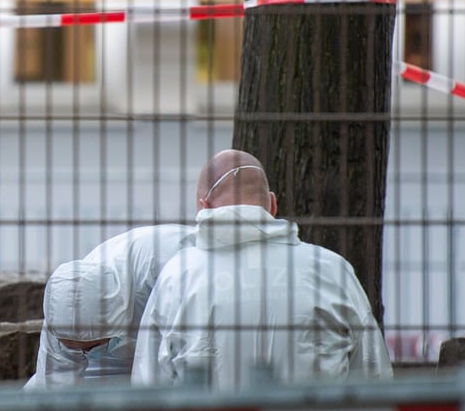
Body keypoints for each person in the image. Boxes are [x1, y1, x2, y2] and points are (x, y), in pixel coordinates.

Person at [132, 149, 392, 390]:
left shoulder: (177, 275)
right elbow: (373, 376)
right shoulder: (332, 270)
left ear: (204, 206)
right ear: (272, 204)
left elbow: (148, 386)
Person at [24, 224, 193, 390]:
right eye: (71, 347)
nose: (84, 354)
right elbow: (53, 383)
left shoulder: (165, 271)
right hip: (120, 349)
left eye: (90, 347)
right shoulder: (62, 305)